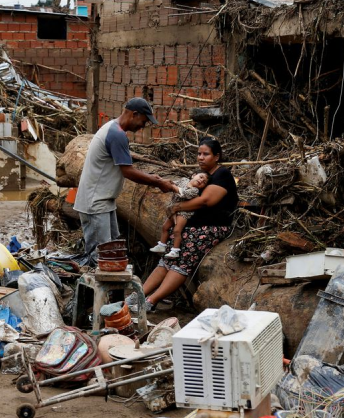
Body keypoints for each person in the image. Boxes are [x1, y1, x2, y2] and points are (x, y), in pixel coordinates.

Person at [132, 138, 238, 313]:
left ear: (217, 156)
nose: (201, 157)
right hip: (190, 228)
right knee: (167, 259)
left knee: (182, 263)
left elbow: (206, 201)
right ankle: (138, 296)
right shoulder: (201, 176)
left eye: (206, 154)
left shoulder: (222, 175)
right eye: (199, 153)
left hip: (210, 228)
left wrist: (177, 207)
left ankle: (150, 301)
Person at [73, 98, 175, 264]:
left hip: (103, 201)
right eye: (143, 121)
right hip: (95, 203)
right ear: (134, 114)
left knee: (112, 251)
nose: (143, 126)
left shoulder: (113, 128)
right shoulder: (116, 134)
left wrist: (156, 179)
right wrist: (158, 182)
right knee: (101, 257)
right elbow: (128, 171)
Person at [150, 171, 210, 258]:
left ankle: (175, 250)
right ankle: (162, 245)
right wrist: (161, 183)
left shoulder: (195, 190)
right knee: (165, 227)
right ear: (193, 175)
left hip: (184, 213)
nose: (201, 180)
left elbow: (183, 194)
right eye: (201, 177)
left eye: (204, 182)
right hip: (173, 209)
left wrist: (173, 187)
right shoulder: (184, 180)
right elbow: (172, 184)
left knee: (177, 230)